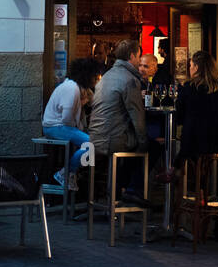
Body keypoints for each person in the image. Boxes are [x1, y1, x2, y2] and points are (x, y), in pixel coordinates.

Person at [88, 40, 148, 202]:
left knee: (135, 146)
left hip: (95, 137)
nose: (139, 61)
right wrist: (143, 141)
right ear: (132, 56)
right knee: (150, 147)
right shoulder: (130, 79)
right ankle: (130, 191)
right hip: (112, 140)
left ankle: (117, 190)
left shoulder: (107, 75)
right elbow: (137, 116)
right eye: (139, 57)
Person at [42, 58, 98, 190]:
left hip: (57, 126)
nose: (95, 79)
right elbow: (66, 119)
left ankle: (71, 173)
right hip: (55, 127)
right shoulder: (72, 89)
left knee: (92, 143)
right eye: (94, 76)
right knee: (92, 143)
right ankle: (67, 173)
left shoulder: (73, 86)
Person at [173, 51, 218, 166]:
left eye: (190, 65)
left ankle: (179, 171)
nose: (189, 69)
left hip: (193, 140)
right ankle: (210, 174)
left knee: (182, 152)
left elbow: (179, 116)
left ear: (196, 67)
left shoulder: (189, 87)